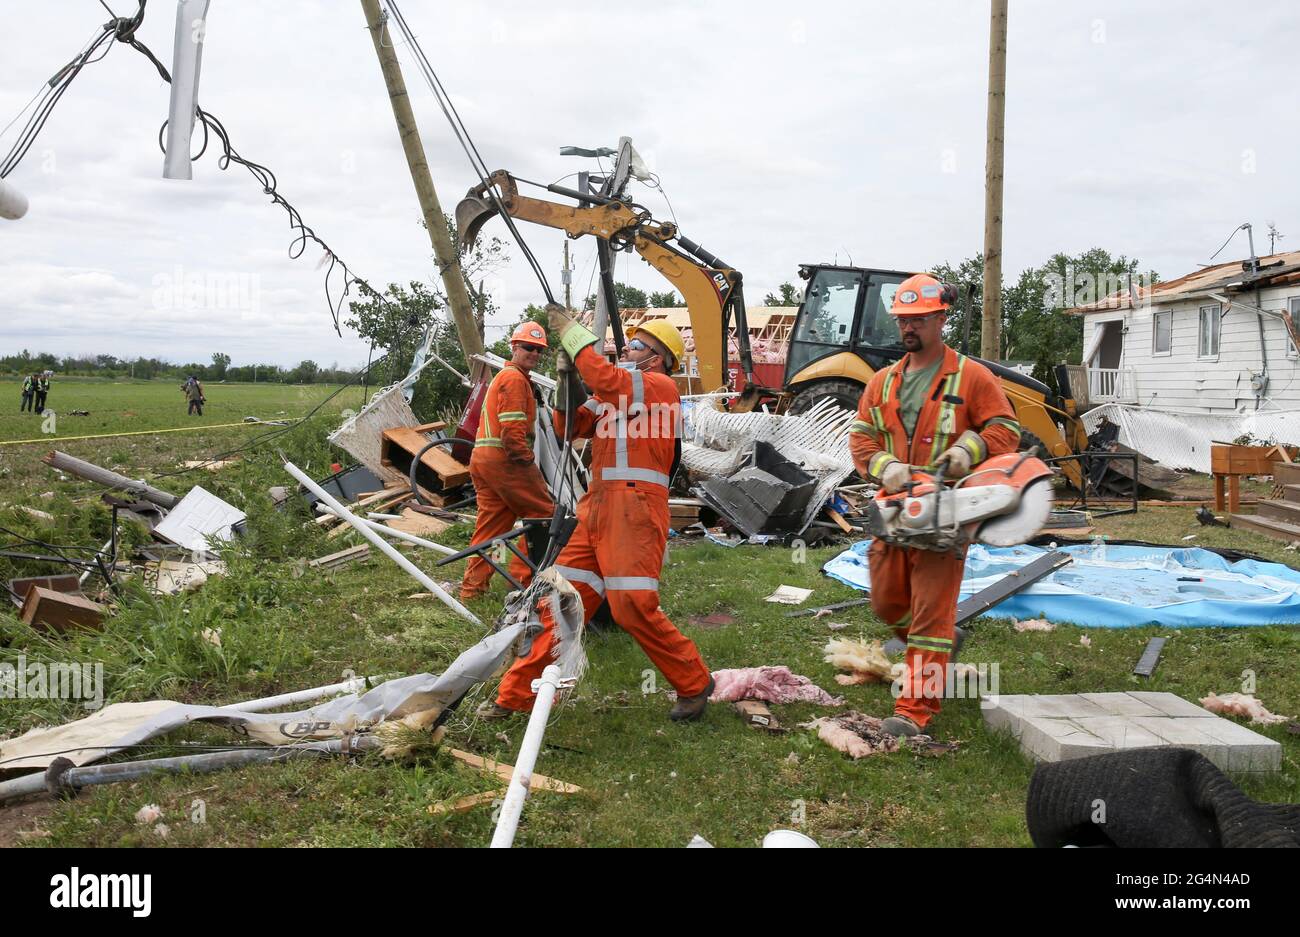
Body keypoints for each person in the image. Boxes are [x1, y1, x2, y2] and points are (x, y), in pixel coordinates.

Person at [484, 306, 714, 722]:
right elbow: (568, 427)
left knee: (631, 606)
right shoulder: (615, 395)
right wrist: (566, 382)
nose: (626, 350)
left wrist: (573, 336)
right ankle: (516, 696)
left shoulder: (659, 386)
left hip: (635, 510)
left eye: (636, 345)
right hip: (597, 509)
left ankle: (694, 682)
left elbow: (607, 378)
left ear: (658, 358)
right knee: (560, 601)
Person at [848, 273, 1021, 738]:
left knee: (930, 614)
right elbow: (862, 437)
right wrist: (885, 467)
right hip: (894, 510)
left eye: (919, 319)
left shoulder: (971, 376)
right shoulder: (882, 382)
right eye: (903, 320)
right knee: (888, 604)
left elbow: (1006, 428)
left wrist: (968, 449)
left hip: (947, 511)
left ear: (941, 319)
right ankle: (940, 645)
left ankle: (914, 711)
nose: (909, 327)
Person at [460, 321, 557, 601]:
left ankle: (473, 589)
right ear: (514, 347)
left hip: (483, 459)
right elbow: (512, 432)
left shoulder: (507, 376)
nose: (534, 354)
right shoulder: (514, 379)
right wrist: (526, 463)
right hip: (505, 460)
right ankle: (524, 579)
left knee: (494, 528)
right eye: (528, 347)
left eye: (539, 350)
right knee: (544, 516)